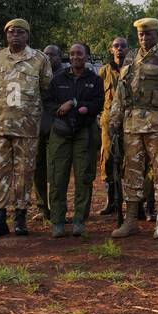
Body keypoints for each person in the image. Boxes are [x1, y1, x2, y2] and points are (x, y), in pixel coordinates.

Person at [111, 18, 158, 237]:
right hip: (132, 126)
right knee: (132, 173)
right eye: (141, 35)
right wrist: (113, 121)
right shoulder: (130, 58)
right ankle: (131, 221)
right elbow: (120, 93)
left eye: (148, 34)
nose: (144, 38)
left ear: (156, 34)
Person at [0, 19, 52, 238]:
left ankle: (20, 217)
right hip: (0, 124)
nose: (15, 35)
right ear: (6, 35)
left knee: (24, 172)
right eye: (11, 32)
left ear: (27, 36)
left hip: (27, 125)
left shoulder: (39, 59)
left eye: (20, 32)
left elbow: (46, 87)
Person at [46, 43, 103, 237]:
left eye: (79, 53)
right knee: (57, 177)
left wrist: (77, 104)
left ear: (86, 56)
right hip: (60, 133)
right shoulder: (58, 79)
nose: (75, 57)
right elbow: (48, 103)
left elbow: (98, 103)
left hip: (84, 133)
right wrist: (59, 109)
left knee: (84, 177)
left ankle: (80, 220)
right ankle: (58, 222)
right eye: (71, 54)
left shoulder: (95, 80)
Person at [32, 43, 63, 222]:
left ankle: (56, 208)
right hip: (37, 128)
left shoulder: (64, 77)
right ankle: (42, 207)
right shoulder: (36, 74)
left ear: (60, 57)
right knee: (39, 168)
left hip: (57, 129)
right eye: (45, 54)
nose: (48, 58)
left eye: (52, 55)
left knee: (56, 170)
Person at [97, 37, 128, 215]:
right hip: (108, 121)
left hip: (128, 120)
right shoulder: (104, 71)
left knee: (130, 160)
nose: (119, 49)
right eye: (116, 46)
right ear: (111, 49)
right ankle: (112, 200)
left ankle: (136, 202)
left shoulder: (133, 69)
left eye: (123, 46)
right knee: (108, 158)